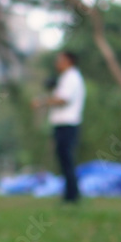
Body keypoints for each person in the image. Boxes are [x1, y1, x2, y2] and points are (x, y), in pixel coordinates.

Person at [32, 50, 85, 203]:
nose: (57, 63)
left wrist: (42, 101)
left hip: (68, 124)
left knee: (67, 160)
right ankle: (69, 194)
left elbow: (63, 100)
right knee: (64, 161)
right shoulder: (66, 78)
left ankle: (72, 196)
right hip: (63, 124)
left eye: (60, 60)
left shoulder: (72, 77)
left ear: (68, 61)